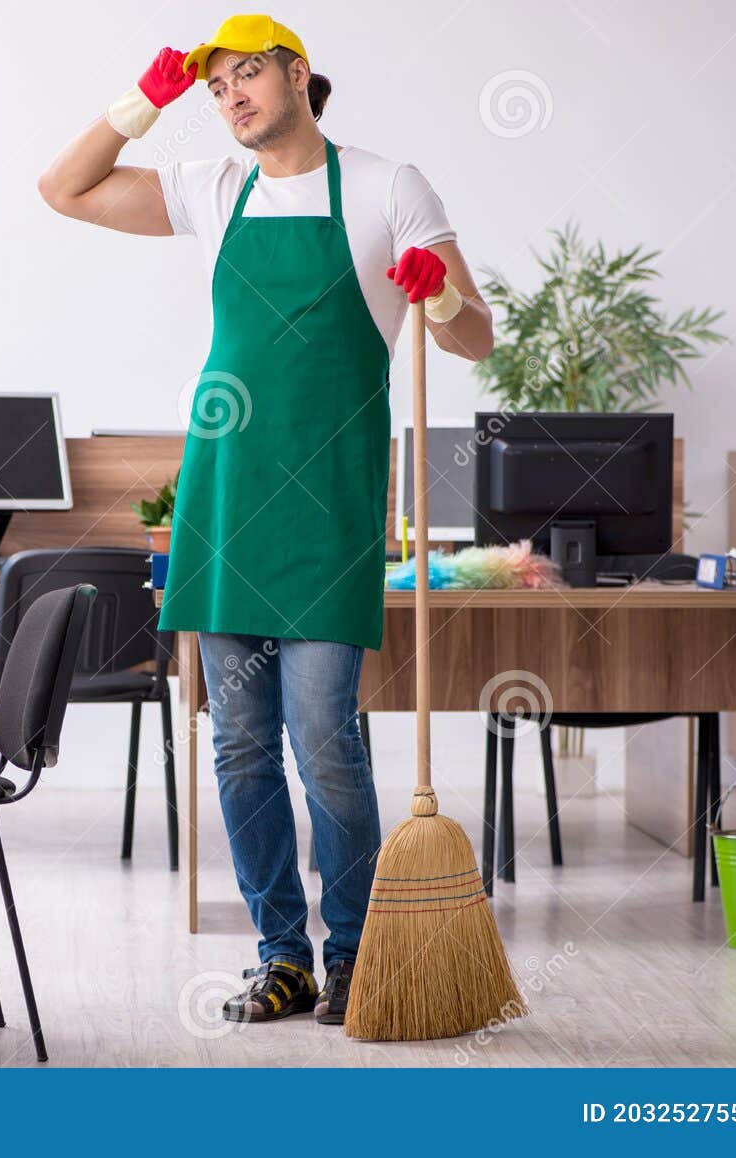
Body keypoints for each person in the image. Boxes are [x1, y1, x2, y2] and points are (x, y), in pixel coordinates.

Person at [38, 14, 494, 1025]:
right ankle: (280, 957)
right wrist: (135, 107)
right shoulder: (213, 188)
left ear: (297, 75)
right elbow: (62, 190)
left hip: (328, 504)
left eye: (247, 74)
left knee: (324, 740)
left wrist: (440, 302)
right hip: (225, 497)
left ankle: (359, 959)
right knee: (237, 745)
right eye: (214, 86)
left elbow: (476, 337)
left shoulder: (386, 185)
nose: (230, 95)